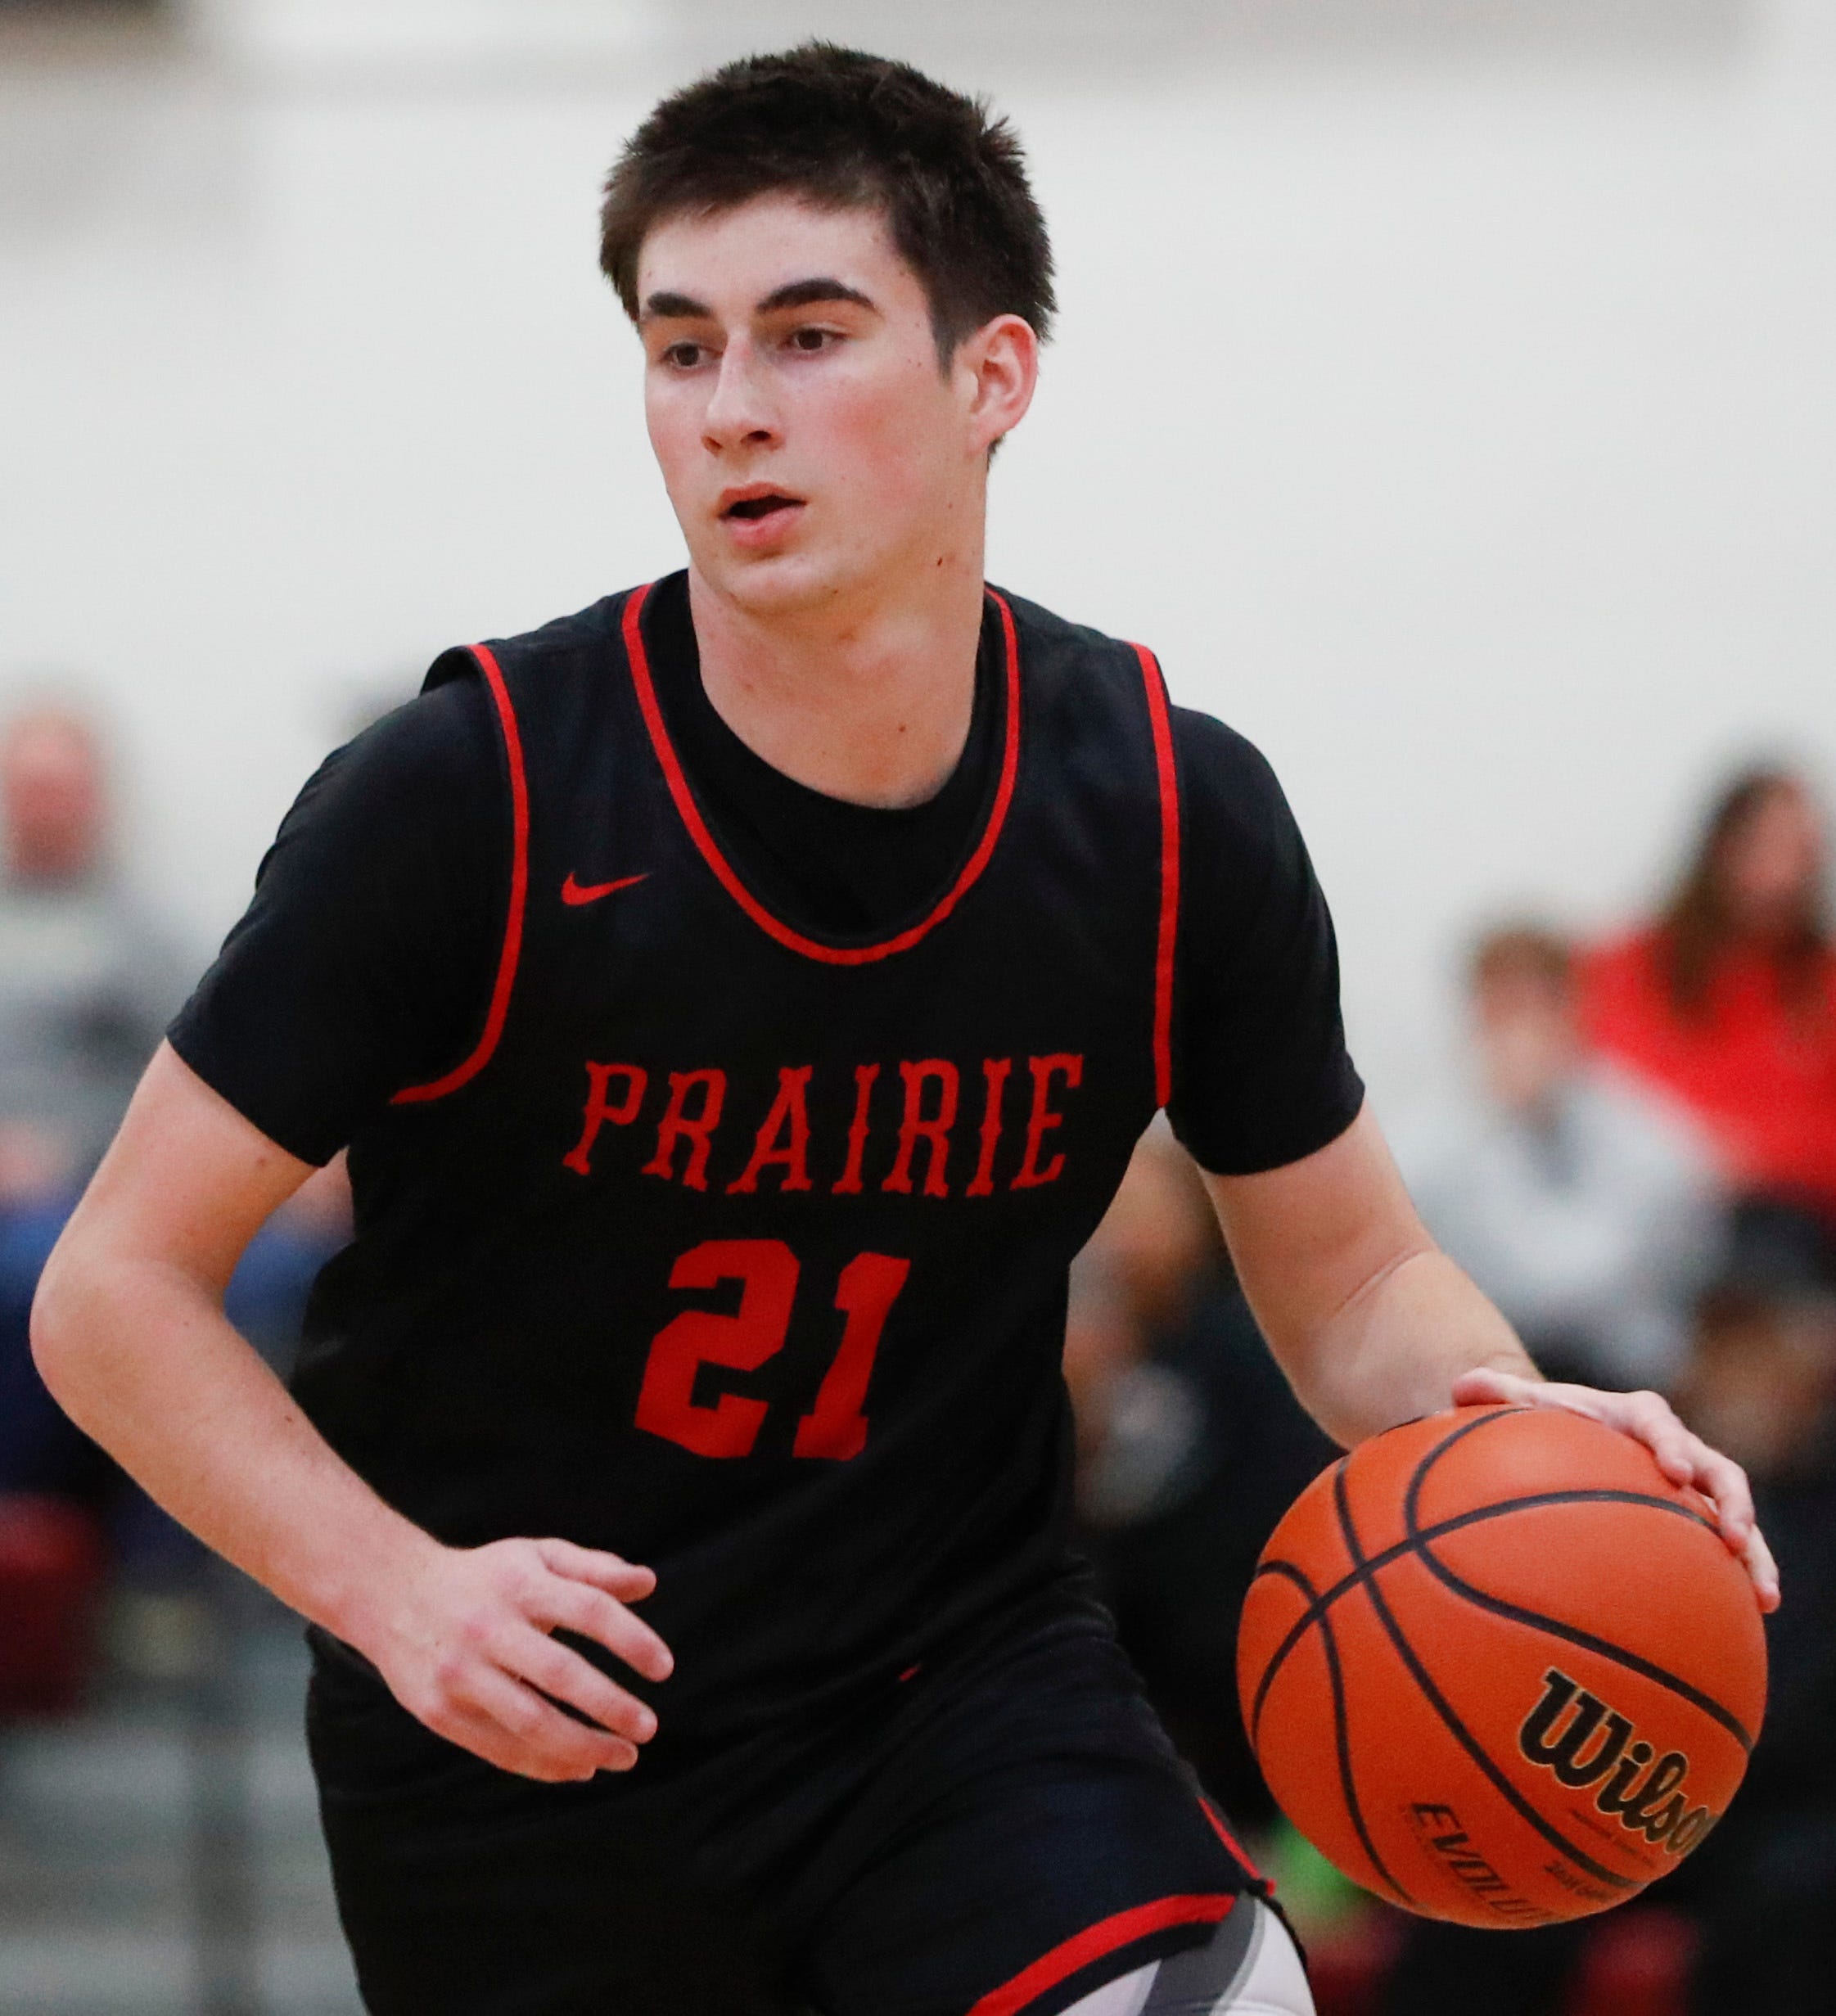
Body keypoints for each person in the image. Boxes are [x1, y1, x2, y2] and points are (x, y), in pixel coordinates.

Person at [29, 47, 1775, 2016]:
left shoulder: (1160, 814)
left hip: (958, 1697)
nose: (732, 409)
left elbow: (1354, 1272)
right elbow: (112, 1291)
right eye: (680, 350)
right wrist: (390, 1586)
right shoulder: (470, 798)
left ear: (989, 379)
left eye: (807, 333)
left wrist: (1512, 1407)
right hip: (537, 1746)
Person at [1396, 923, 1722, 1392]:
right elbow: (1527, 1288)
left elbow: (1669, 1240)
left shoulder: (1633, 1118)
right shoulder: (1427, 1139)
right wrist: (1505, 1120)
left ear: (1575, 1008)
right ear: (1476, 1015)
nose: (1526, 1029)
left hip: (1627, 1377)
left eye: (1542, 1005)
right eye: (1507, 1008)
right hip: (1483, 1382)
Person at [1581, 765, 1836, 1224]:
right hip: (1649, 1211)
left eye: (1802, 852)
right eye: (1766, 847)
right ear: (1721, 847)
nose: (1785, 876)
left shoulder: (1821, 984)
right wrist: (1702, 1148)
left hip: (1787, 1224)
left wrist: (1756, 1155)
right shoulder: (1630, 966)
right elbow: (1606, 1089)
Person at [0, 704, 185, 1202]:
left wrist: (71, 1150)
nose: (43, 810)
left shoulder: (143, 942)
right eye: (29, 791)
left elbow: (186, 1095)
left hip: (78, 1188)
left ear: (94, 799)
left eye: (57, 792)